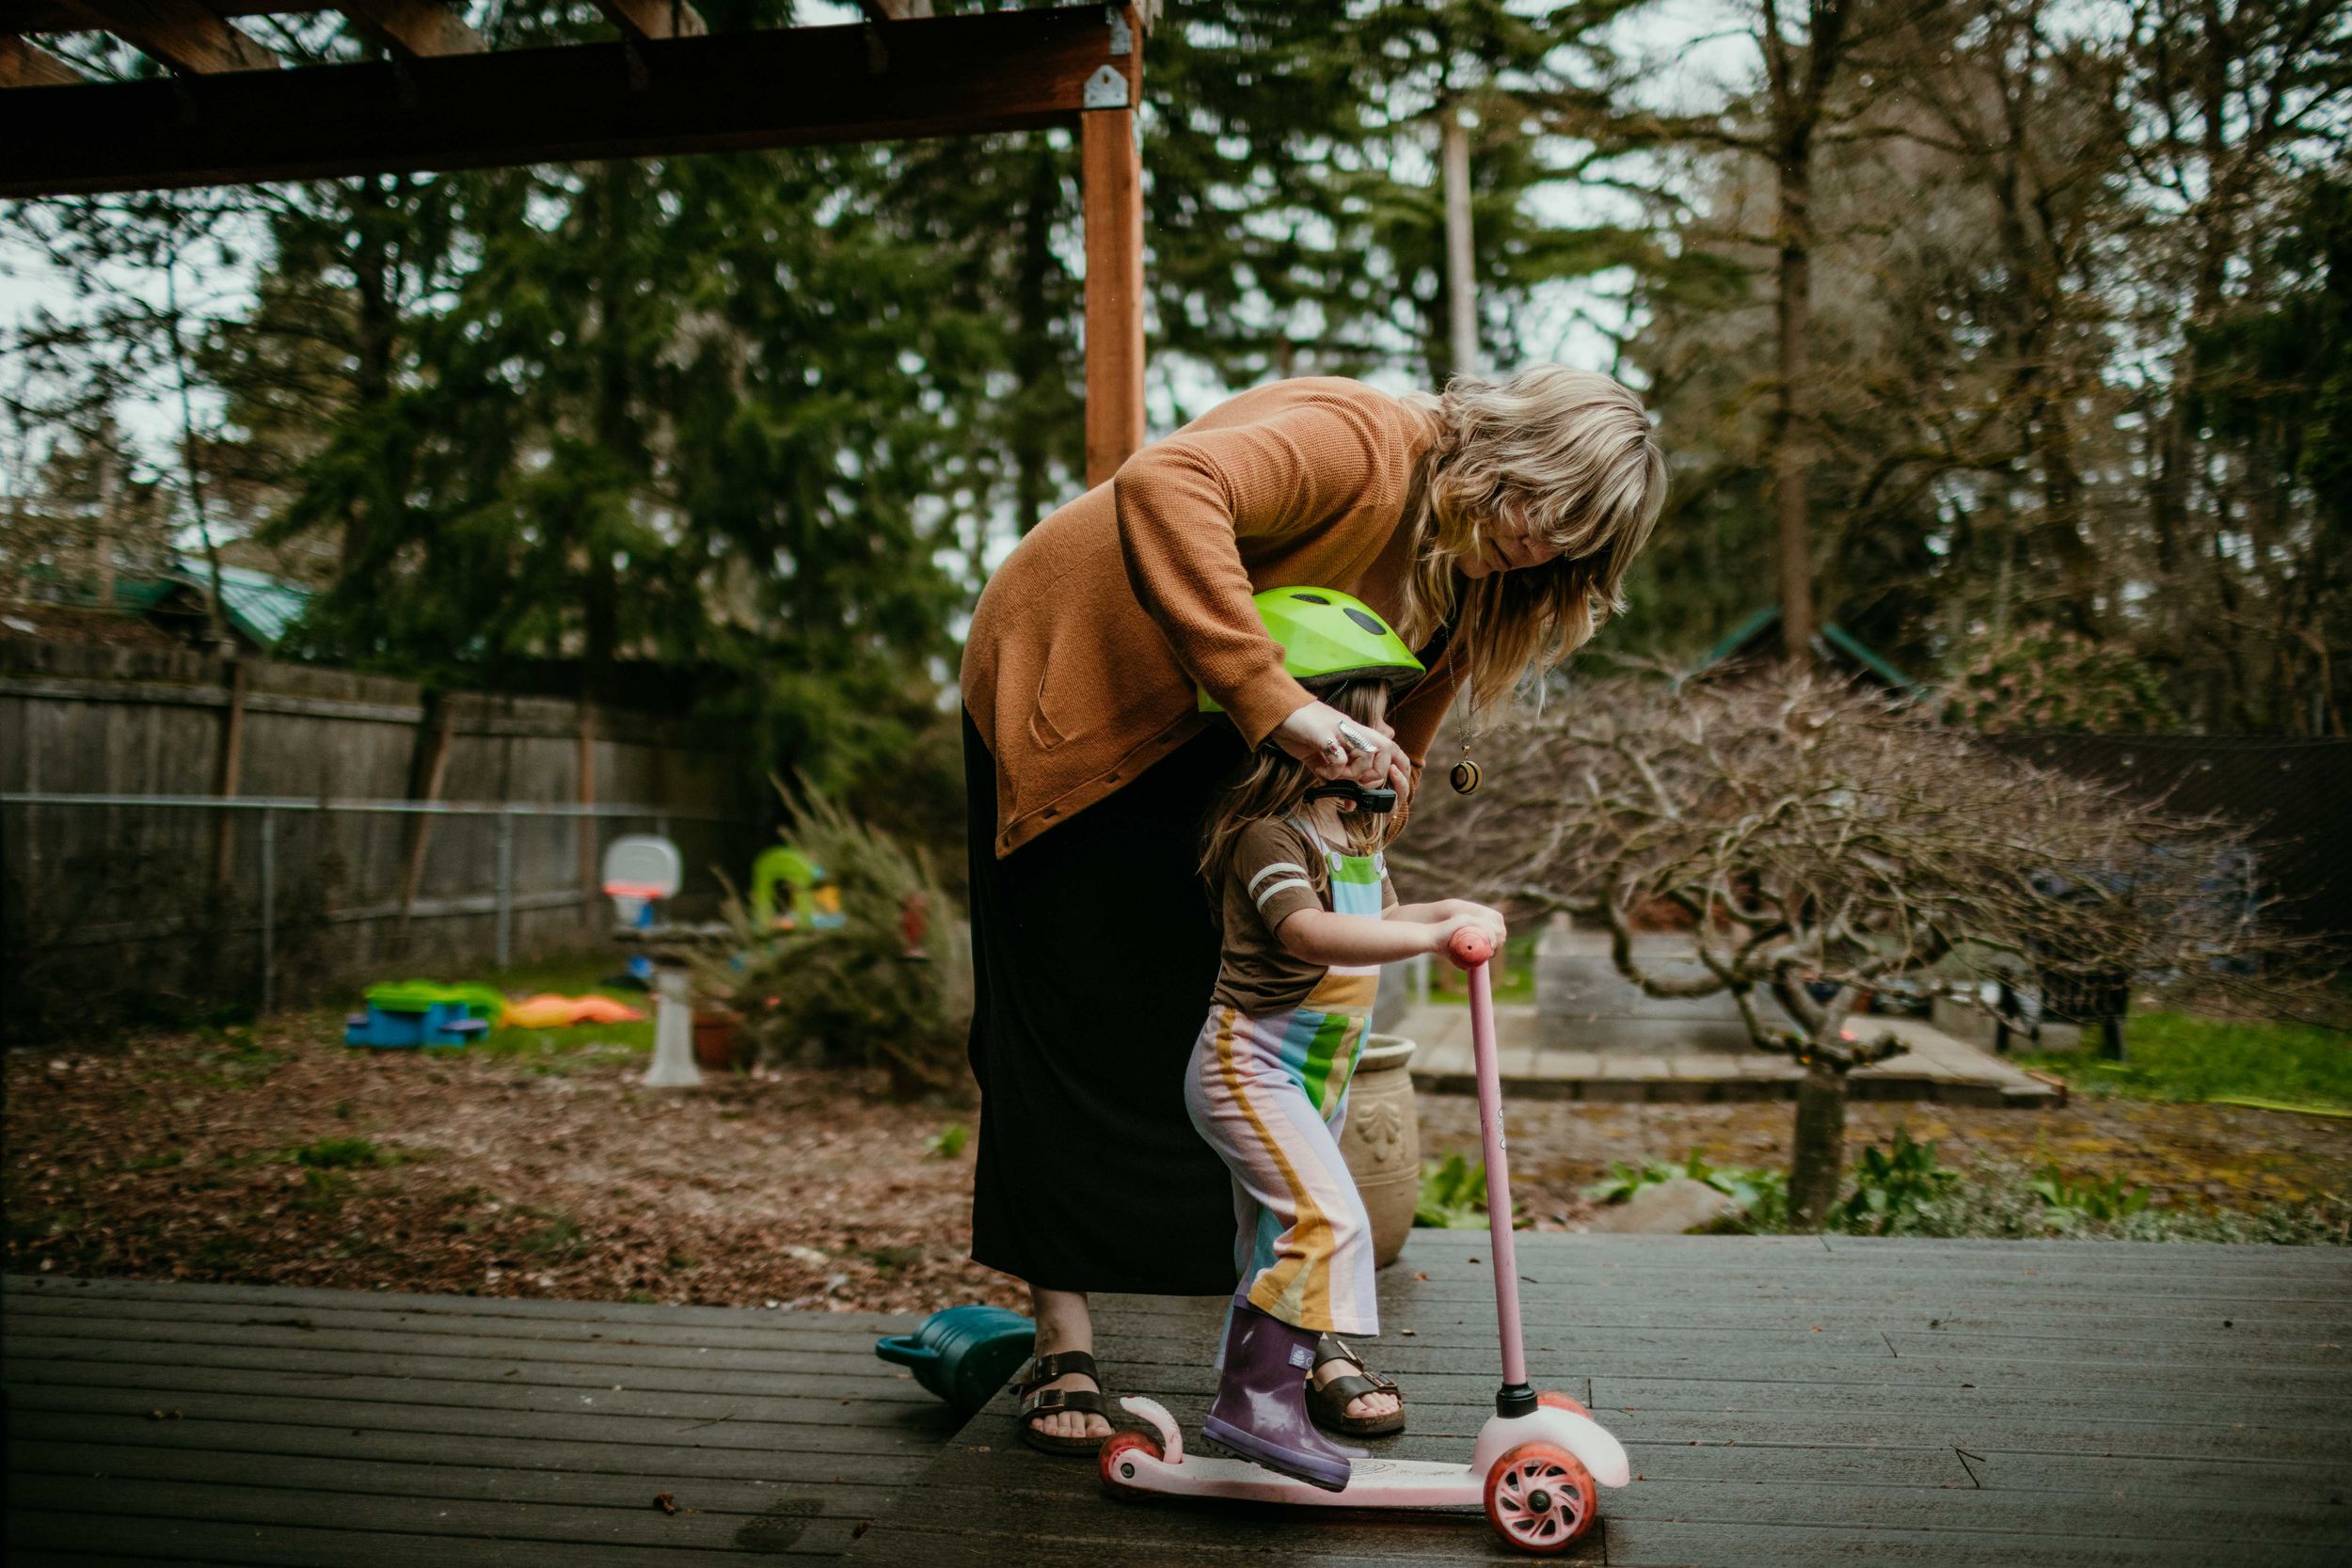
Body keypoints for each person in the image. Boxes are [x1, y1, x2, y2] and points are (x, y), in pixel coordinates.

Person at [961, 367, 1666, 1452]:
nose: (1538, 548)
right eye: (1544, 511)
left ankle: (1296, 1335)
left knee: (1261, 1031)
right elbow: (1166, 481)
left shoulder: (1475, 574)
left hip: (1238, 740)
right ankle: (1061, 1337)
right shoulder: (1365, 439)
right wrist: (1273, 697)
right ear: (1512, 451)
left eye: (1570, 545)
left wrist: (1365, 848)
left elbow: (1403, 740)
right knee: (1074, 1015)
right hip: (1085, 692)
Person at [1183, 591, 1508, 1488]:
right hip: (1250, 1065)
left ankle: (1254, 1397)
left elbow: (1390, 918)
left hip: (1314, 1075)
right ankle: (1258, 1403)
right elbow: (1310, 936)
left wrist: (1458, 915)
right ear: (1306, 736)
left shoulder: (1351, 837)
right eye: (1366, 724)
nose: (1388, 745)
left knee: (1273, 1241)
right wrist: (1431, 934)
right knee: (1329, 1219)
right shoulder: (1268, 835)